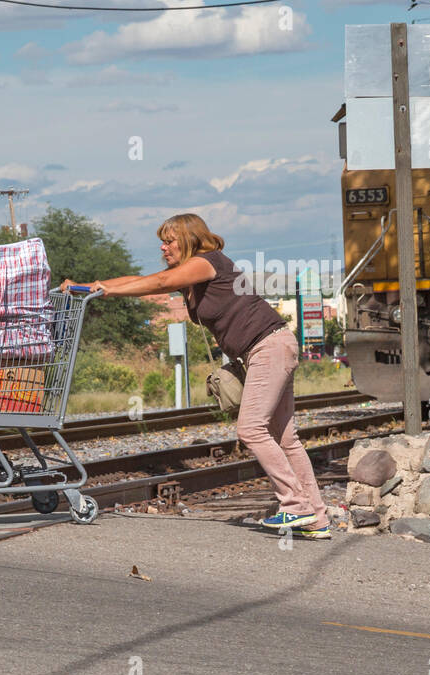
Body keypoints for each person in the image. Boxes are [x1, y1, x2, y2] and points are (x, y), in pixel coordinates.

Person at [60, 213, 332, 538]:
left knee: (251, 430)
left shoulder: (208, 261)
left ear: (189, 239)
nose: (163, 247)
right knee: (285, 438)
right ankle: (316, 518)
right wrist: (91, 288)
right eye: (162, 241)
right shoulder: (189, 275)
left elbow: (159, 284)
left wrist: (106, 291)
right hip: (269, 347)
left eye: (169, 240)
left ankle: (295, 506)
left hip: (268, 347)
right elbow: (144, 279)